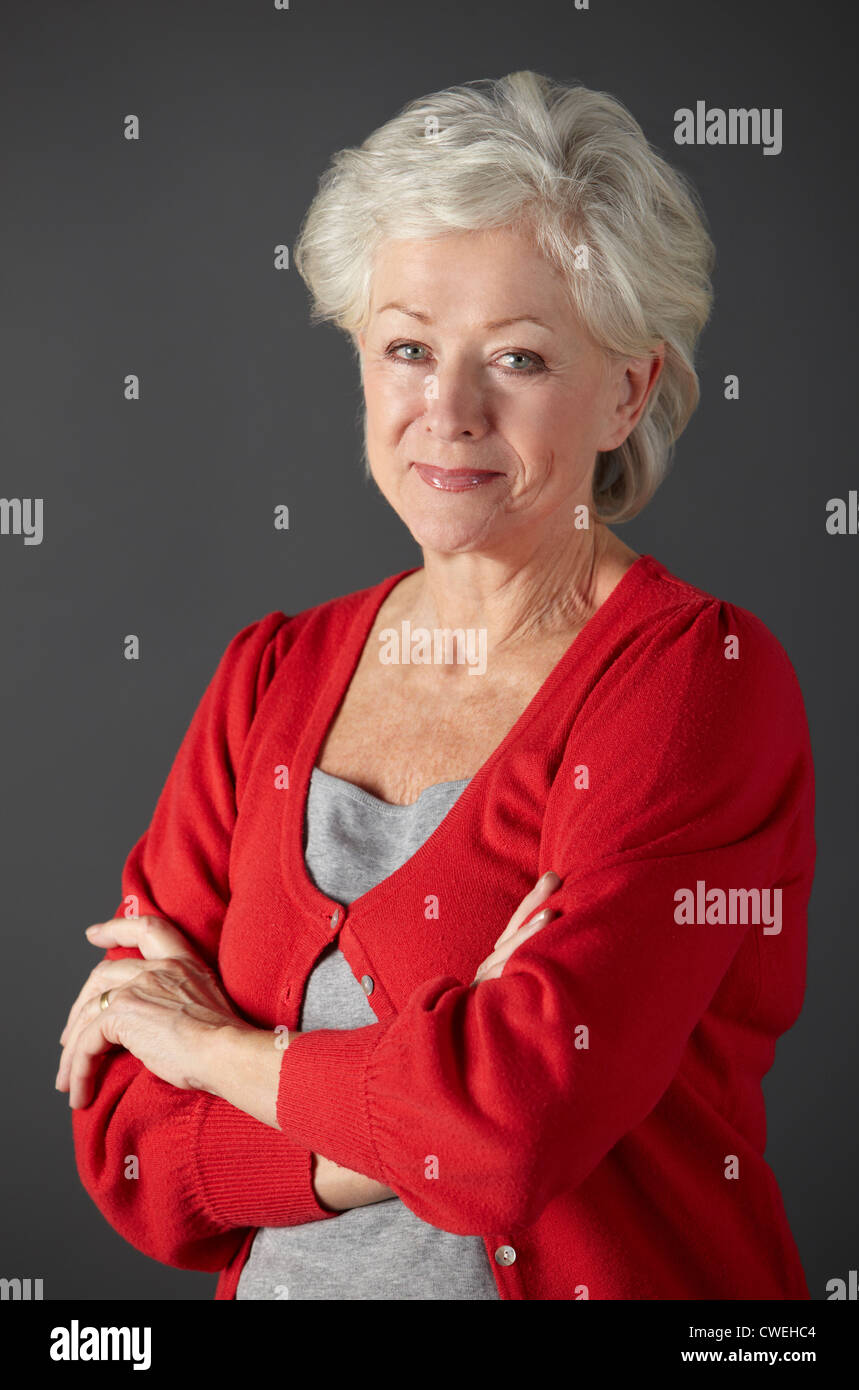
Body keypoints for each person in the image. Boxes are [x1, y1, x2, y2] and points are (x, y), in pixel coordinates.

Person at [56, 71, 815, 1300]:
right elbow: (129, 1149)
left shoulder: (696, 682)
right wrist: (423, 1096)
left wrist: (208, 1046)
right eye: (407, 346)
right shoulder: (269, 677)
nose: (446, 412)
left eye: (516, 357)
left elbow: (510, 1135)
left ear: (626, 389)